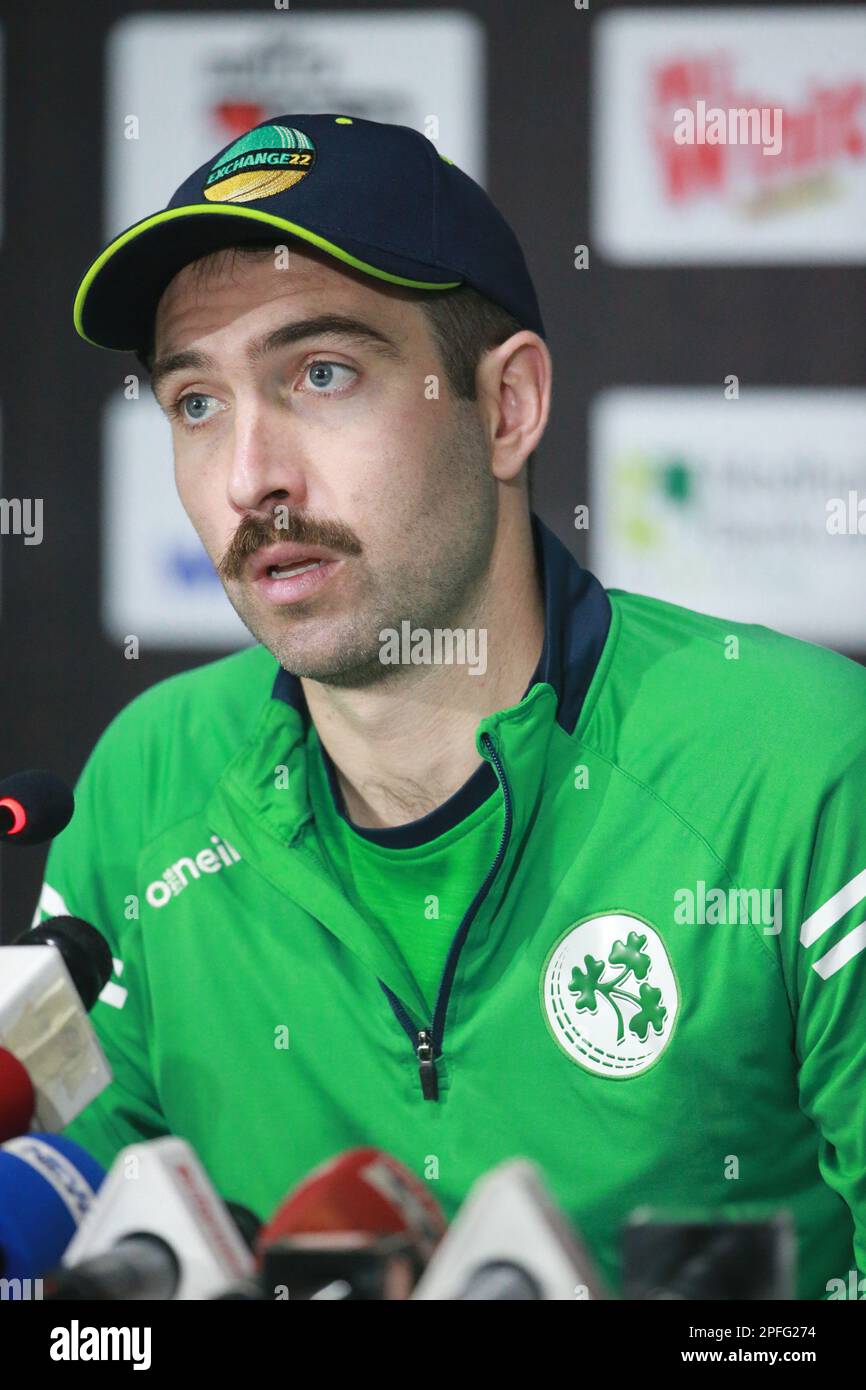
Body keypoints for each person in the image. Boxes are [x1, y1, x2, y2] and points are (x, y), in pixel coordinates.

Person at [35, 114, 866, 1298]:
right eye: (196, 403)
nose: (246, 478)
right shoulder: (148, 781)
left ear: (507, 407)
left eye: (320, 375)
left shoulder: (799, 770)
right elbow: (84, 1268)